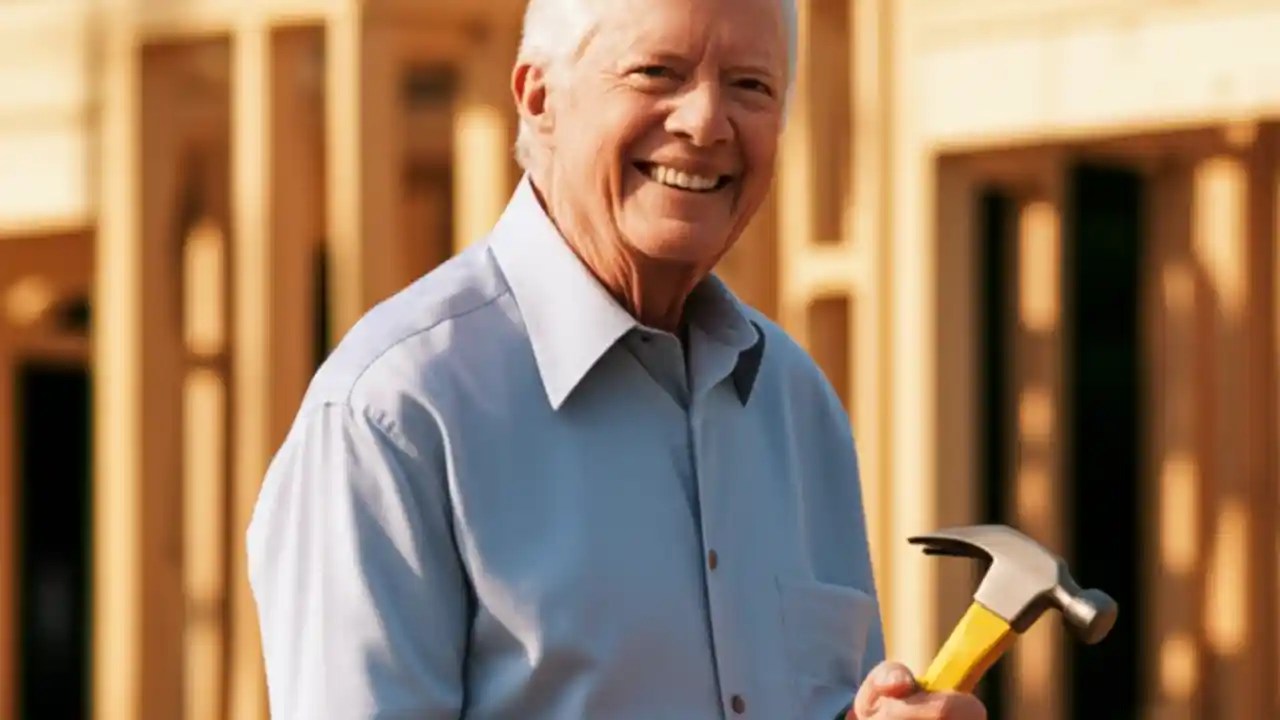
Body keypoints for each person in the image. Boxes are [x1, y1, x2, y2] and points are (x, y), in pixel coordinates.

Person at [246, 0, 988, 717]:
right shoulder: (397, 415)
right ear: (538, 96)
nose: (705, 121)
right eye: (657, 73)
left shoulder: (797, 406)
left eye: (751, 85)